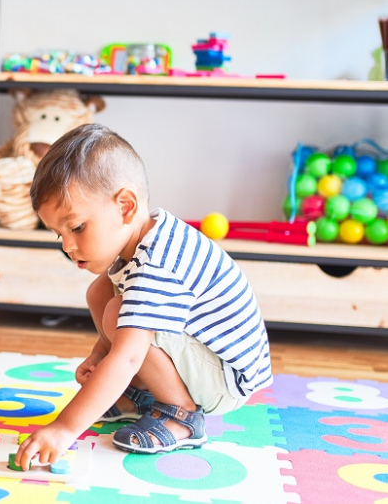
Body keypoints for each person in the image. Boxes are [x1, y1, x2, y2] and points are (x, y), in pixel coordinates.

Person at [16, 124, 272, 467]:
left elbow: (129, 356)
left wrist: (64, 428)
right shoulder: (142, 238)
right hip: (206, 356)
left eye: (76, 227)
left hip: (227, 378)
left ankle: (182, 416)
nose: (67, 245)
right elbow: (122, 345)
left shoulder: (156, 263)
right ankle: (141, 394)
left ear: (125, 206)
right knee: (100, 292)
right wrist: (101, 354)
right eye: (58, 234)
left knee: (118, 312)